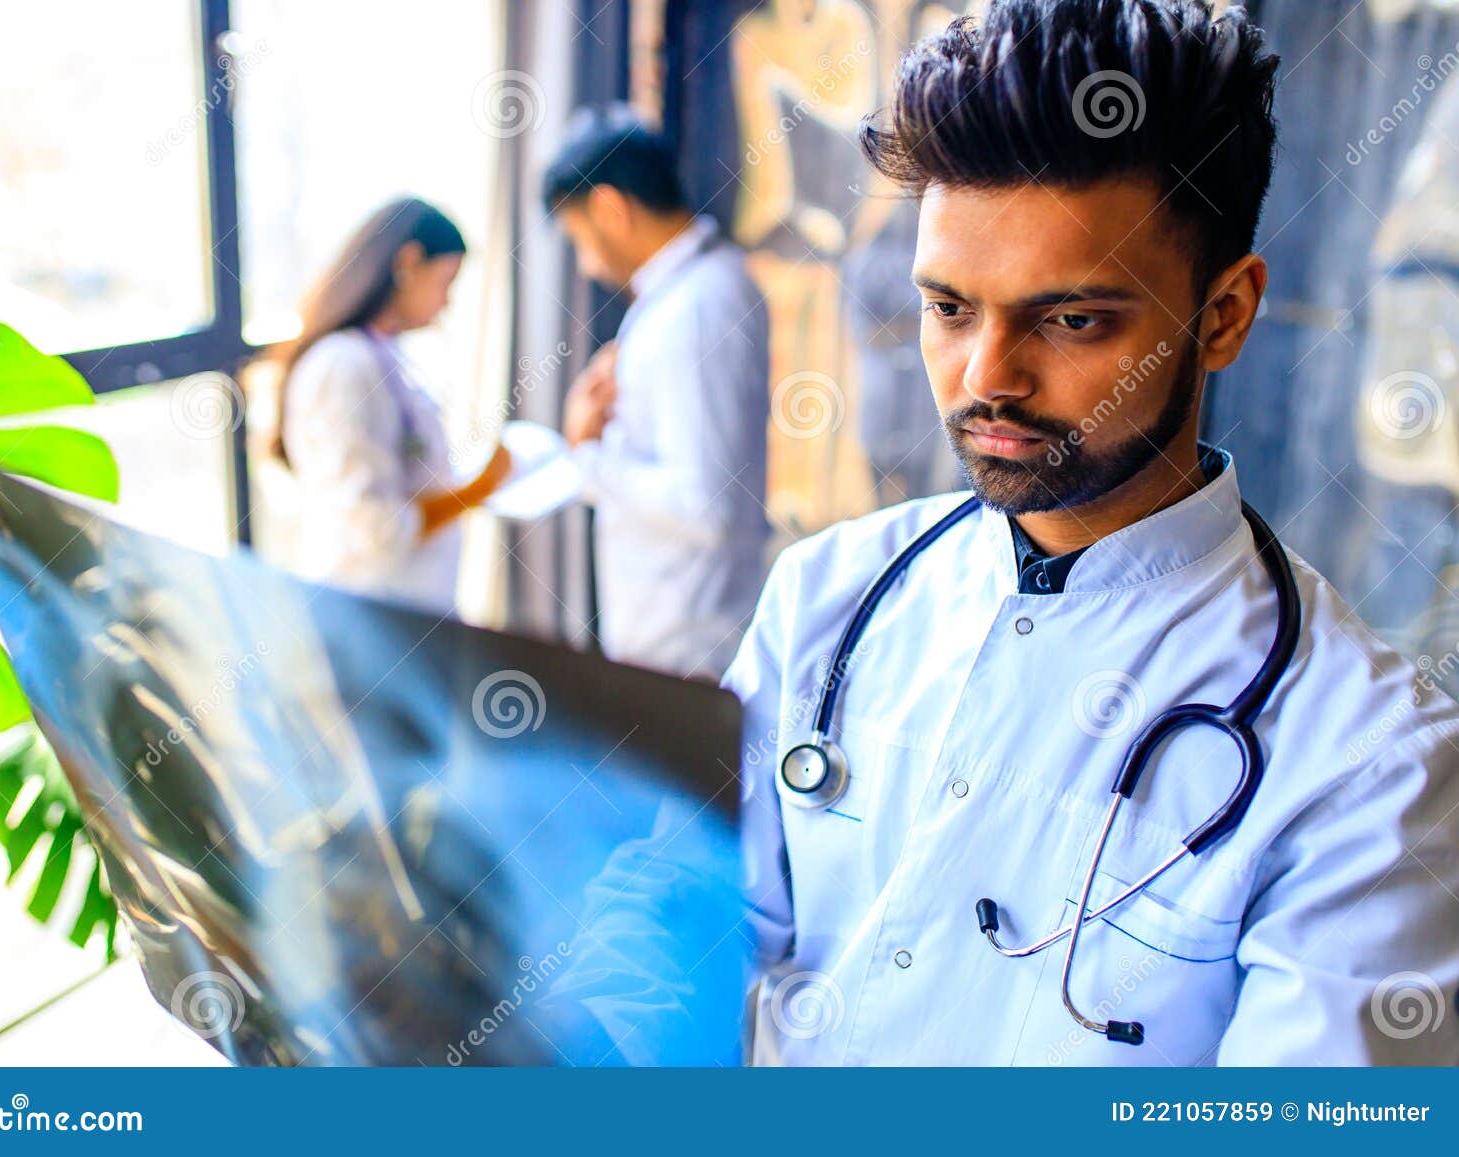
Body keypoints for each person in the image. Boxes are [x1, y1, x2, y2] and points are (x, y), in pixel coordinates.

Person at [724, 0, 1459, 1065]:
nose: (987, 379)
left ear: (1223, 316)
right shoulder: (827, 595)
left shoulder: (1369, 768)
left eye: (1070, 320)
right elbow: (675, 938)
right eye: (947, 307)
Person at [545, 108, 771, 680]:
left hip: (688, 650)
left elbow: (704, 505)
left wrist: (587, 456)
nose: (588, 263)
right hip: (676, 637)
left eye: (578, 238)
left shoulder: (696, 306)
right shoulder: (687, 294)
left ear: (610, 210)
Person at [268, 198, 511, 611]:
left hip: (405, 607)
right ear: (409, 263)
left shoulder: (381, 356)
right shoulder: (343, 365)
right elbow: (376, 527)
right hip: (369, 611)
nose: (446, 303)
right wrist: (478, 489)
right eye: (445, 282)